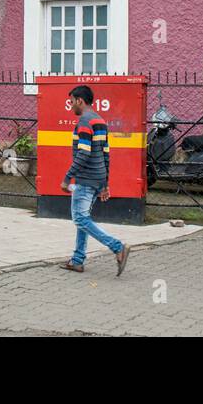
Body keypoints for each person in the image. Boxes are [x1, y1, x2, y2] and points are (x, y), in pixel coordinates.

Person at [58, 85, 129, 276]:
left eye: (72, 102)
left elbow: (83, 153)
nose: (71, 106)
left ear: (80, 101)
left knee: (80, 218)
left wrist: (67, 178)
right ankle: (78, 260)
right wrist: (105, 183)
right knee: (84, 219)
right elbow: (106, 153)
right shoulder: (100, 121)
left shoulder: (84, 122)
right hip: (97, 178)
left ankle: (117, 247)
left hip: (85, 178)